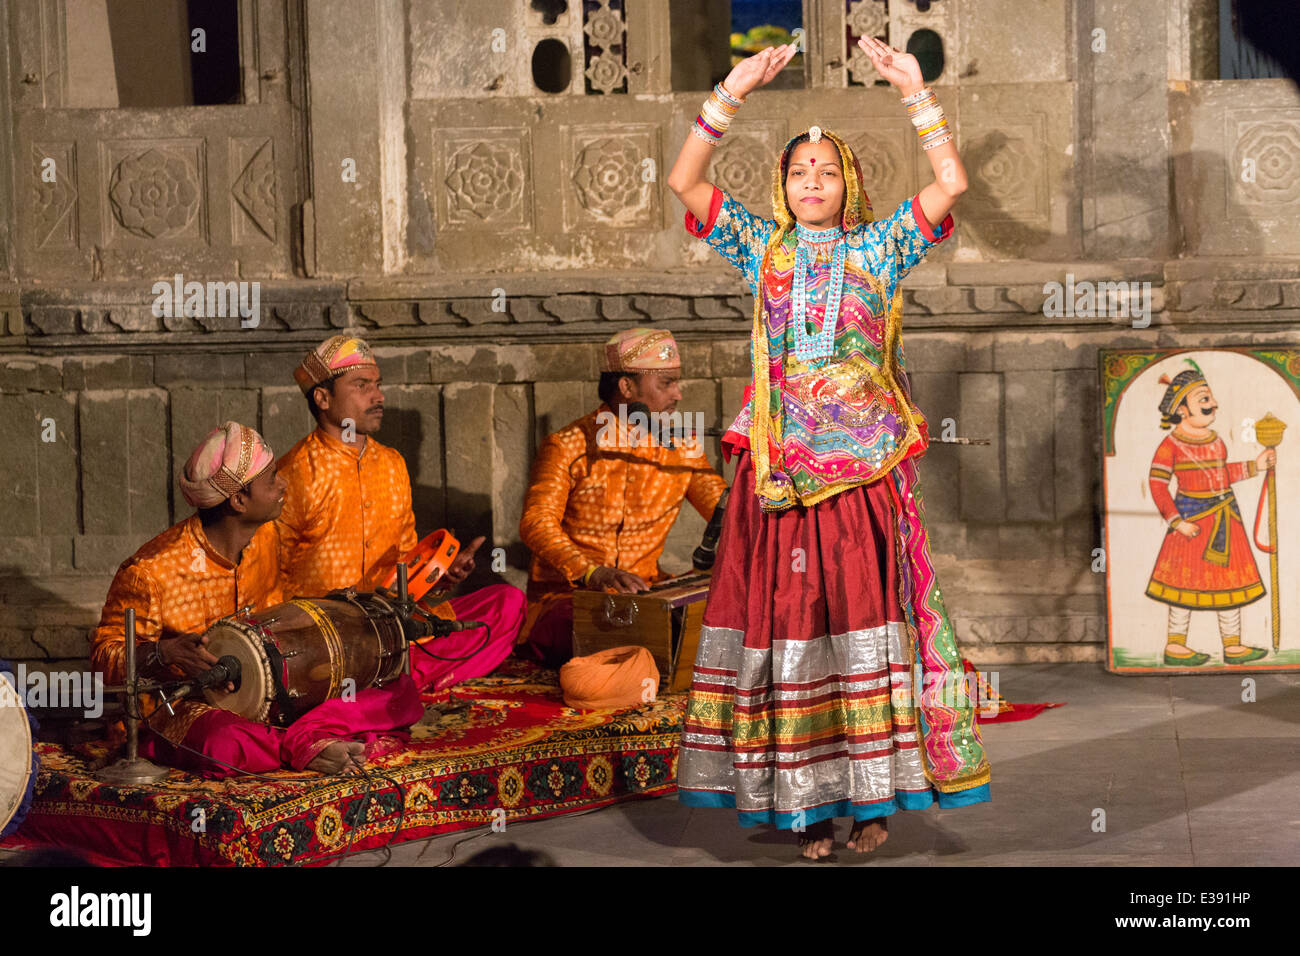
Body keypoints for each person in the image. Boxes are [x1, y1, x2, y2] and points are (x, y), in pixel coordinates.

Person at [666, 37, 992, 859]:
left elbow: (951, 184)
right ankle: (803, 803)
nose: (812, 182)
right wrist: (730, 88)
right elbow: (685, 182)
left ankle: (874, 799)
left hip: (861, 476)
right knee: (787, 623)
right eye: (799, 172)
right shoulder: (763, 250)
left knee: (864, 623)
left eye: (827, 171)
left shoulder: (878, 250)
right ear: (782, 186)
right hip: (778, 477)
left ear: (849, 185)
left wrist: (915, 93)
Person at [91, 421, 424, 777]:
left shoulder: (266, 542)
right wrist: (165, 653)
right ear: (238, 500)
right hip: (182, 708)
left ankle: (302, 740)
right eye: (272, 480)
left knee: (397, 692)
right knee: (225, 742)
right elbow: (101, 660)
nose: (283, 485)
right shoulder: (151, 572)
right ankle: (303, 744)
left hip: (273, 695)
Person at [275, 334, 524, 691]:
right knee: (332, 663)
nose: (379, 397)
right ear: (323, 397)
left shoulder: (392, 464)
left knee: (507, 603)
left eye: (378, 385)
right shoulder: (293, 474)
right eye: (362, 386)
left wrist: (441, 575)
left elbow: (405, 566)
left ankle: (393, 683)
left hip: (397, 625)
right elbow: (267, 578)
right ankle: (390, 684)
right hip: (330, 638)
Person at [518, 327, 728, 665]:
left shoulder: (682, 446)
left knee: (729, 623)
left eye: (677, 382)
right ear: (626, 387)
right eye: (666, 384)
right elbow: (536, 523)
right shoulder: (569, 444)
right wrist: (591, 573)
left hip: (648, 593)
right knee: (617, 633)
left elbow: (725, 510)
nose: (678, 395)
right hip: (570, 597)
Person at [1145, 361, 1275, 665]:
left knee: (1229, 584)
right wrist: (1177, 522)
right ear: (1182, 409)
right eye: (1204, 399)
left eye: (1211, 397)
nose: (1213, 403)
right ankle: (1175, 646)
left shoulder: (1215, 440)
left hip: (1226, 519)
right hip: (1192, 521)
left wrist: (1255, 466)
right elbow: (1157, 485)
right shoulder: (1170, 446)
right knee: (1182, 587)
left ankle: (1233, 646)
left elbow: (1220, 473)